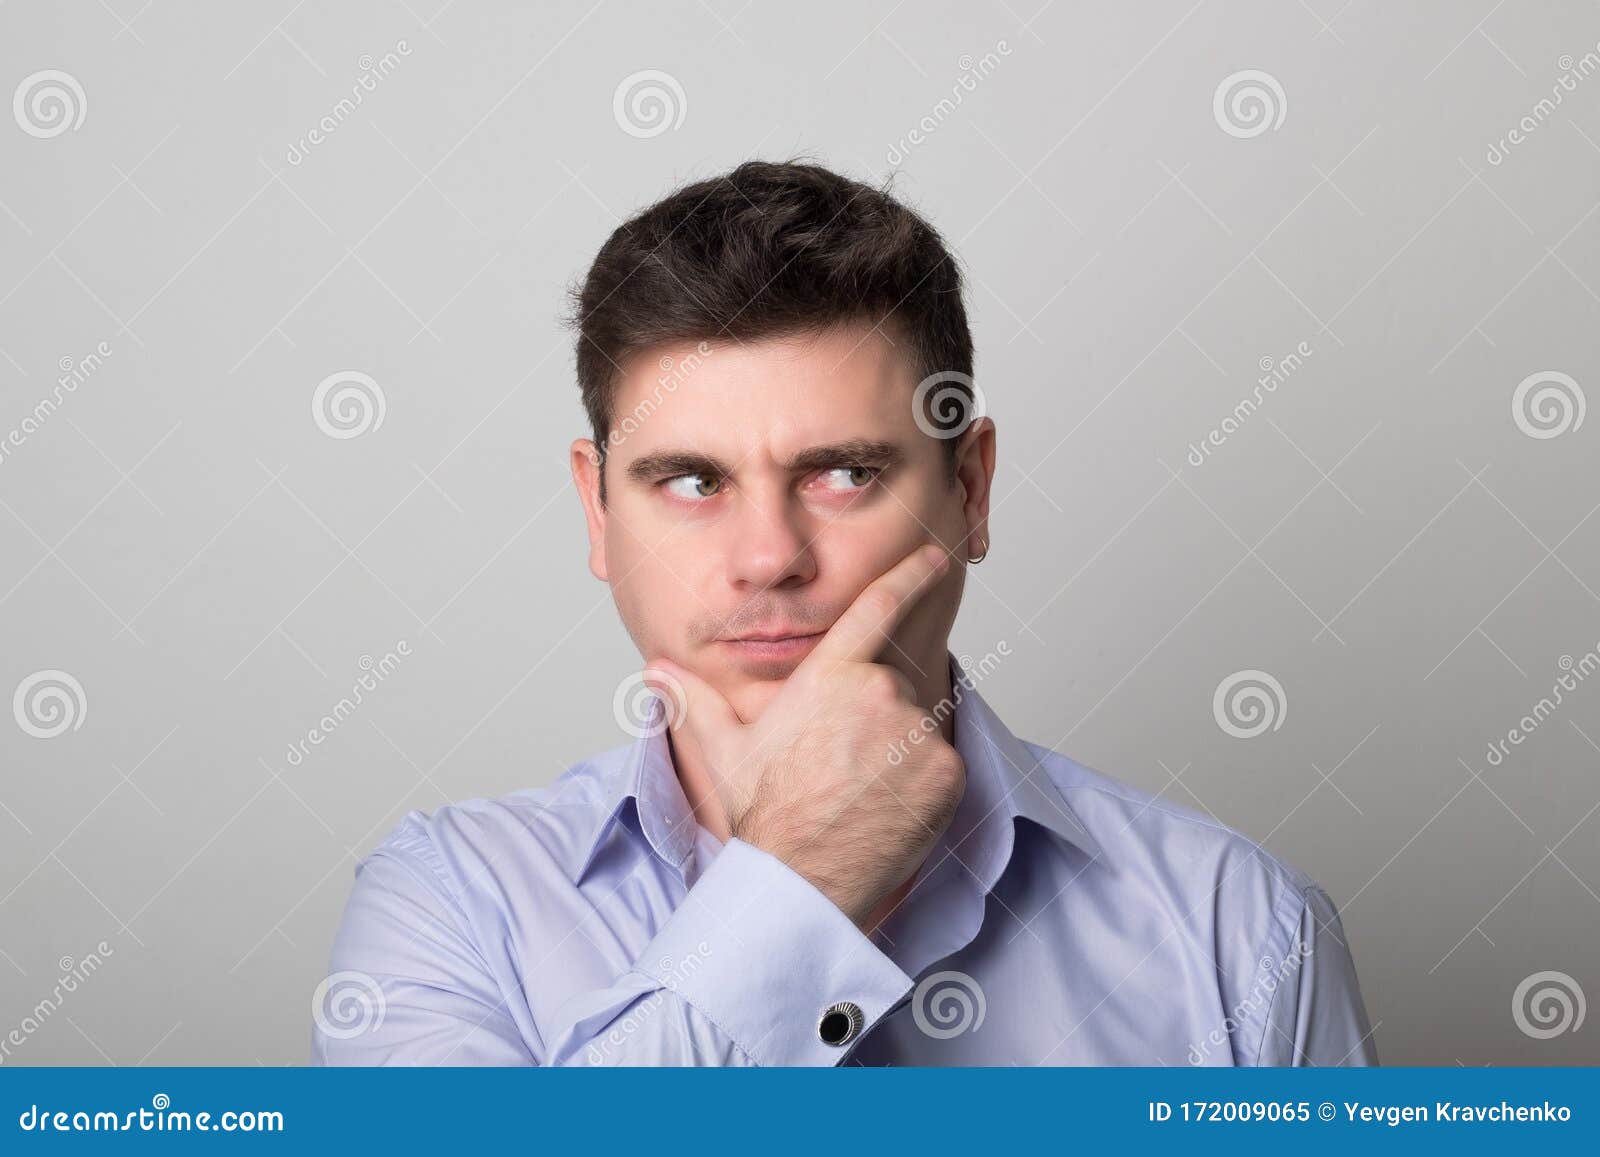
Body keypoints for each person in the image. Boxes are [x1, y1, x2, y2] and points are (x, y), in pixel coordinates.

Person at [312, 159, 1376, 1066]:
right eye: (690, 481)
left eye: (844, 474)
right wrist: (798, 881)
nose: (769, 557)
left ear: (970, 490)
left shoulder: (1240, 927)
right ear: (597, 511)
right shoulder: (450, 905)